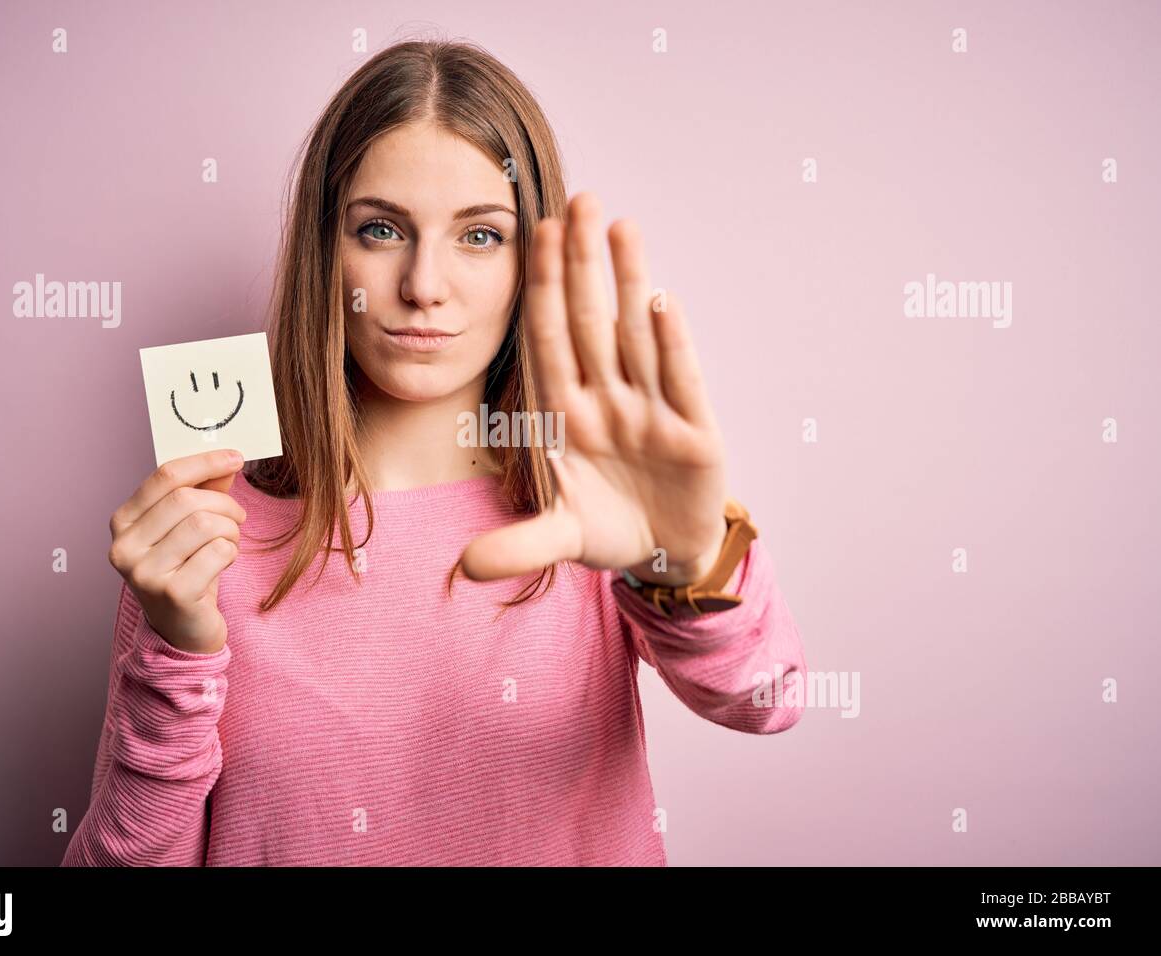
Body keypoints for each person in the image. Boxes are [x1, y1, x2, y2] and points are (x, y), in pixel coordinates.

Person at [62, 38, 806, 867]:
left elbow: (769, 702)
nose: (424, 284)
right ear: (324, 251)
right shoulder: (206, 537)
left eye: (480, 237)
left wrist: (685, 561)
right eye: (380, 230)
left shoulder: (592, 507)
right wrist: (175, 657)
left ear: (532, 259)